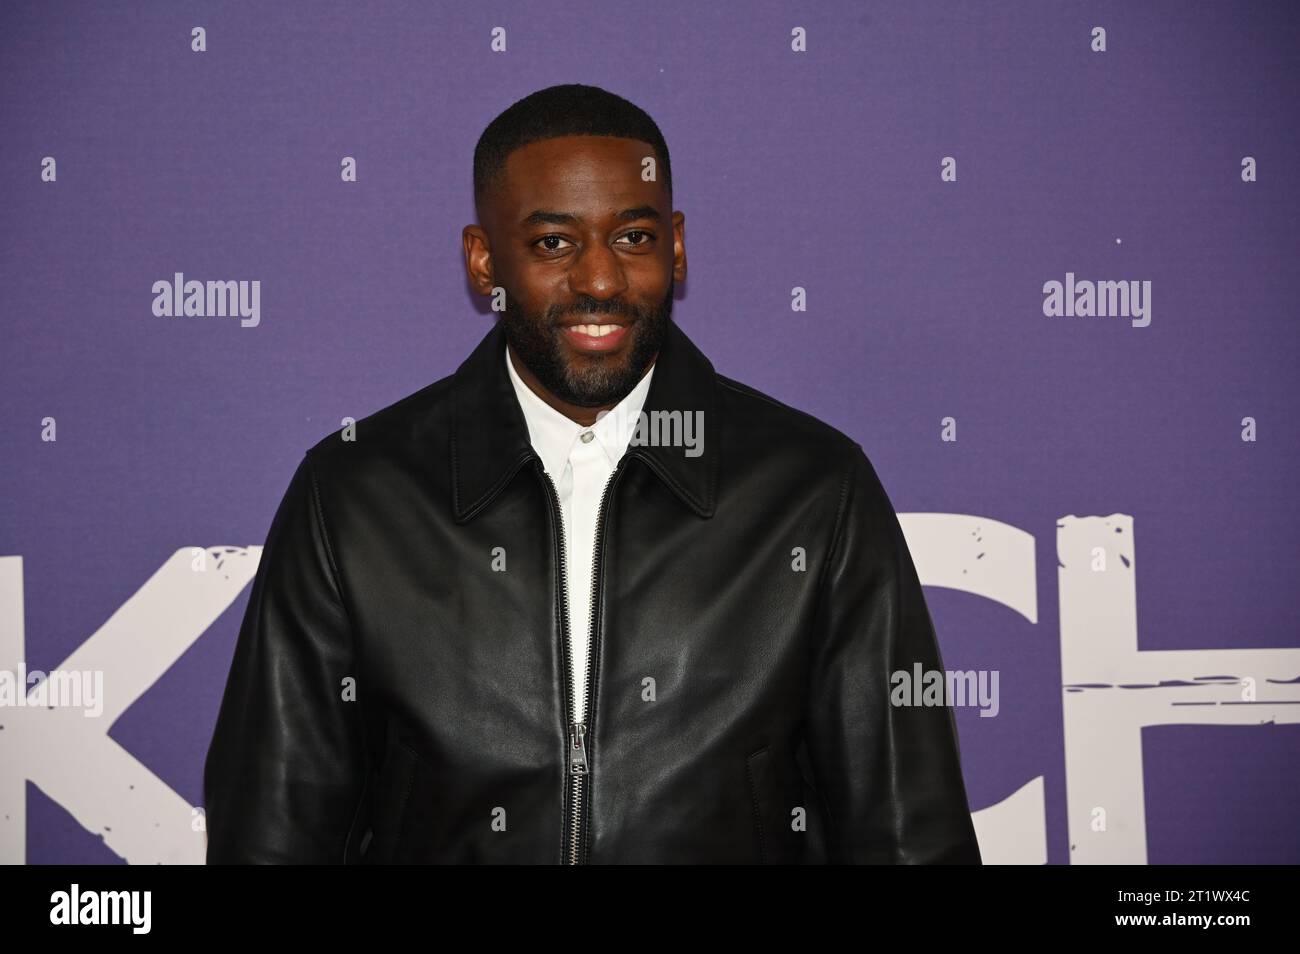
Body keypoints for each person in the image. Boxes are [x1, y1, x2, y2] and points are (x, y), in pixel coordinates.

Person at [203, 83, 981, 864]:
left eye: (634, 238)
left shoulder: (812, 490)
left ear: (676, 247)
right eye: (554, 244)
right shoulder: (355, 495)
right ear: (483, 260)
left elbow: (910, 833)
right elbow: (273, 830)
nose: (601, 281)